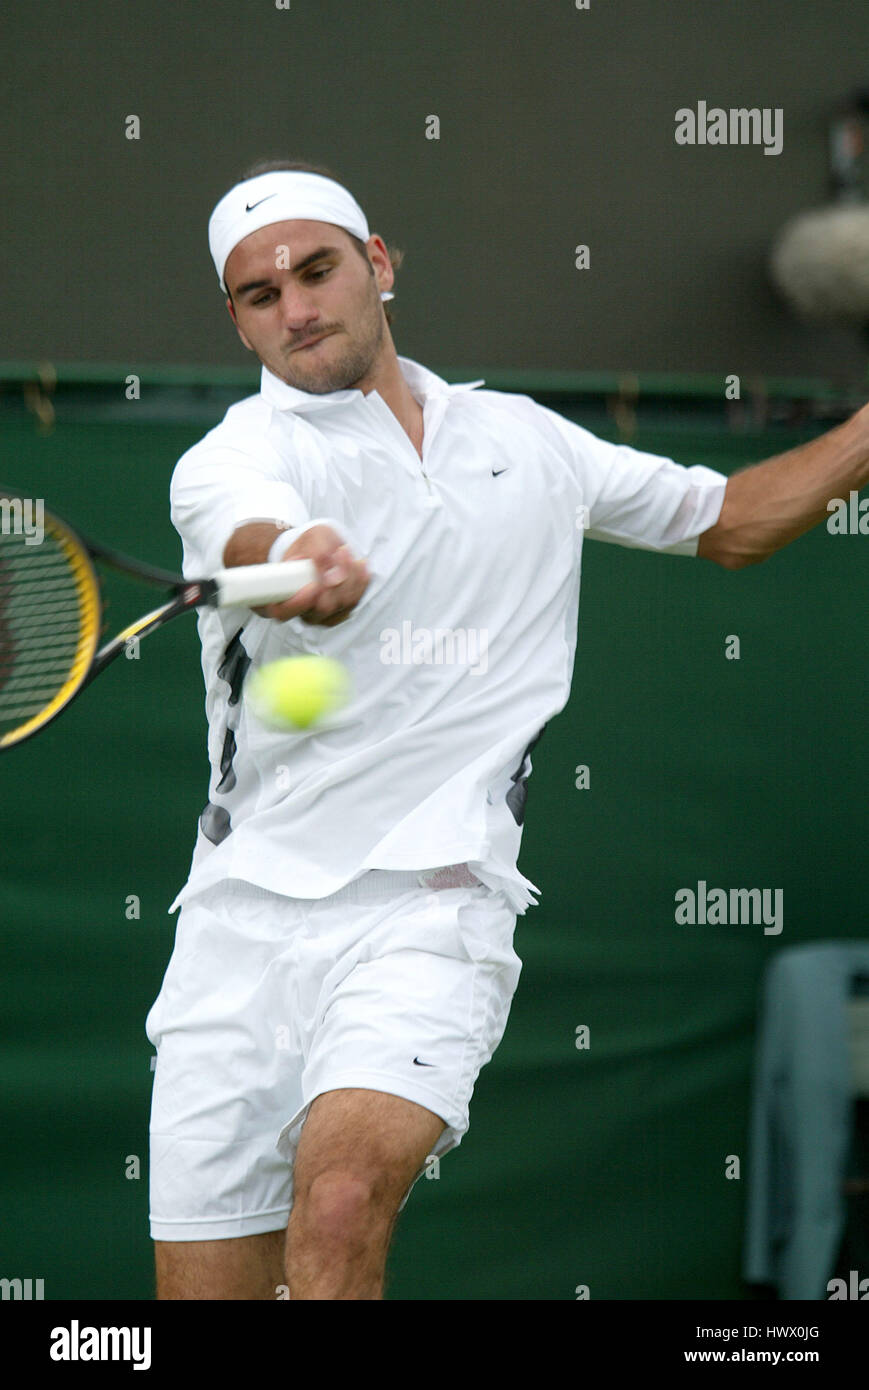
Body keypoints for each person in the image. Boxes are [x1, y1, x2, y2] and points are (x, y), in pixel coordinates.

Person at [146, 157, 869, 1301]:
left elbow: (733, 521)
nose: (296, 309)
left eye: (318, 271)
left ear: (378, 265)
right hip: (235, 932)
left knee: (339, 1203)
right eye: (259, 294)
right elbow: (247, 533)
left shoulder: (526, 441)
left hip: (431, 907)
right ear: (235, 320)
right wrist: (293, 568)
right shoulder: (234, 457)